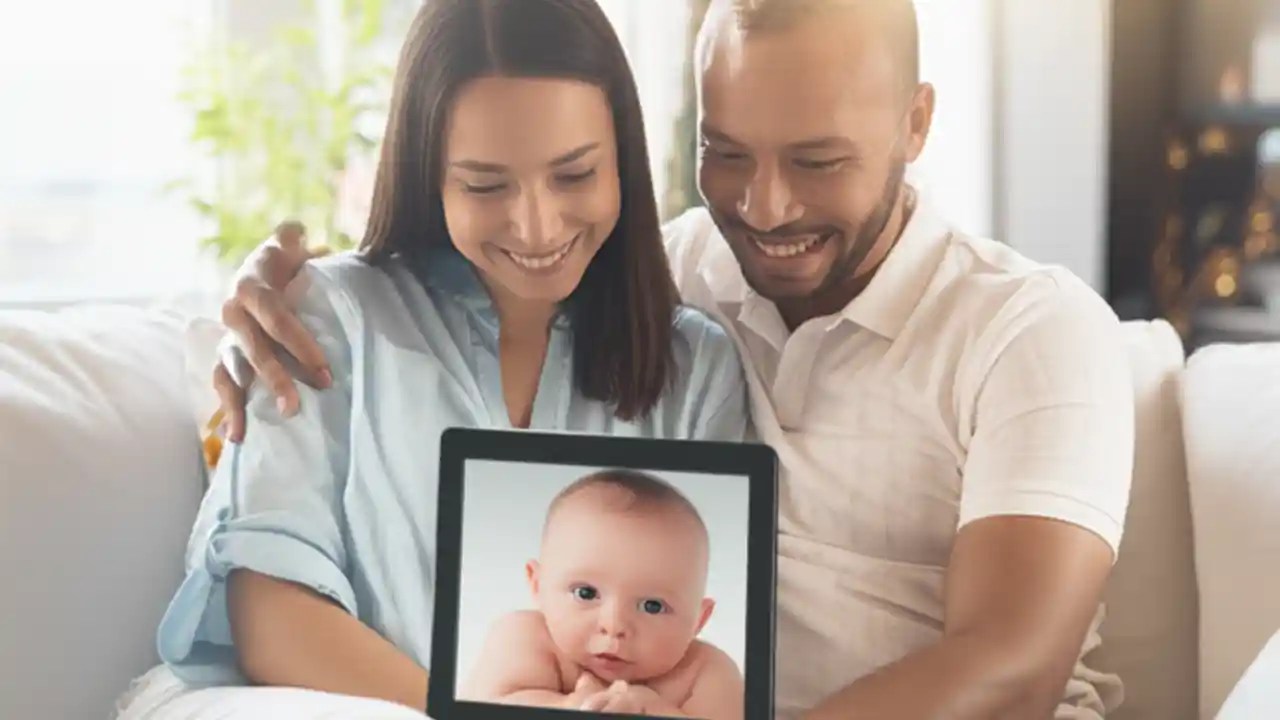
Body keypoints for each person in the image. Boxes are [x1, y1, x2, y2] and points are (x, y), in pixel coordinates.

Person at [215, 0, 1137, 718]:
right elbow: (484, 245)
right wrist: (255, 305)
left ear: (916, 124)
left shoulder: (1032, 329)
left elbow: (1010, 672)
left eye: (818, 162)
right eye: (726, 154)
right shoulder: (683, 276)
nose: (768, 209)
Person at [117, 0, 751, 716]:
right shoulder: (332, 319)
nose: (537, 225)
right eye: (485, 185)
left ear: (623, 162)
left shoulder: (695, 365)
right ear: (430, 176)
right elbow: (268, 609)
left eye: (574, 175)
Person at [460, 470, 744, 718]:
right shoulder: (524, 638)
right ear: (538, 586)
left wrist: (653, 710)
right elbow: (485, 708)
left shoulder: (705, 673)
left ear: (699, 620)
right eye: (586, 593)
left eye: (653, 606)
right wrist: (572, 706)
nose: (615, 625)